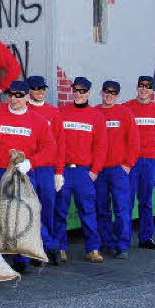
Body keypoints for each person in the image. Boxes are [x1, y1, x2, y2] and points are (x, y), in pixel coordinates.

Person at [0, 79, 56, 272]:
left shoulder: (38, 121)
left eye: (19, 96)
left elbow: (49, 147)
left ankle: (22, 258)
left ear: (28, 97)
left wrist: (31, 162)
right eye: (11, 95)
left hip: (22, 174)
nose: (14, 99)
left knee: (22, 216)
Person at [55, 76, 107, 263]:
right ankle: (60, 248)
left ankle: (92, 248)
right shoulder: (61, 112)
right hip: (64, 170)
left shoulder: (96, 117)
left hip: (84, 172)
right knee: (60, 210)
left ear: (89, 93)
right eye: (75, 90)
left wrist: (94, 172)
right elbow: (54, 142)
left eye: (82, 91)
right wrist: (57, 171)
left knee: (88, 210)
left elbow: (101, 147)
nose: (78, 94)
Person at [94, 80, 139, 259]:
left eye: (113, 93)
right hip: (99, 170)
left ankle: (122, 244)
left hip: (118, 170)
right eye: (106, 91)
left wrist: (128, 165)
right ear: (101, 92)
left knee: (121, 208)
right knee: (102, 208)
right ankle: (106, 241)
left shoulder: (125, 113)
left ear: (118, 95)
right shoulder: (94, 112)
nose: (109, 95)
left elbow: (134, 142)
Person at [25, 75, 66, 265]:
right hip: (28, 169)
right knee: (29, 210)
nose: (41, 92)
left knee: (47, 208)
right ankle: (32, 248)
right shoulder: (23, 110)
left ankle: (45, 246)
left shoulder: (53, 113)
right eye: (36, 88)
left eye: (43, 88)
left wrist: (59, 172)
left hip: (47, 170)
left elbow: (60, 144)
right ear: (29, 91)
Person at [123, 76, 155, 250]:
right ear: (137, 88)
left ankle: (146, 238)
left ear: (151, 91)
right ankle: (123, 239)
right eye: (141, 86)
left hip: (148, 160)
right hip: (130, 161)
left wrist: (146, 141)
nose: (144, 89)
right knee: (127, 201)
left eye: (147, 87)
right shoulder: (127, 108)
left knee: (146, 201)